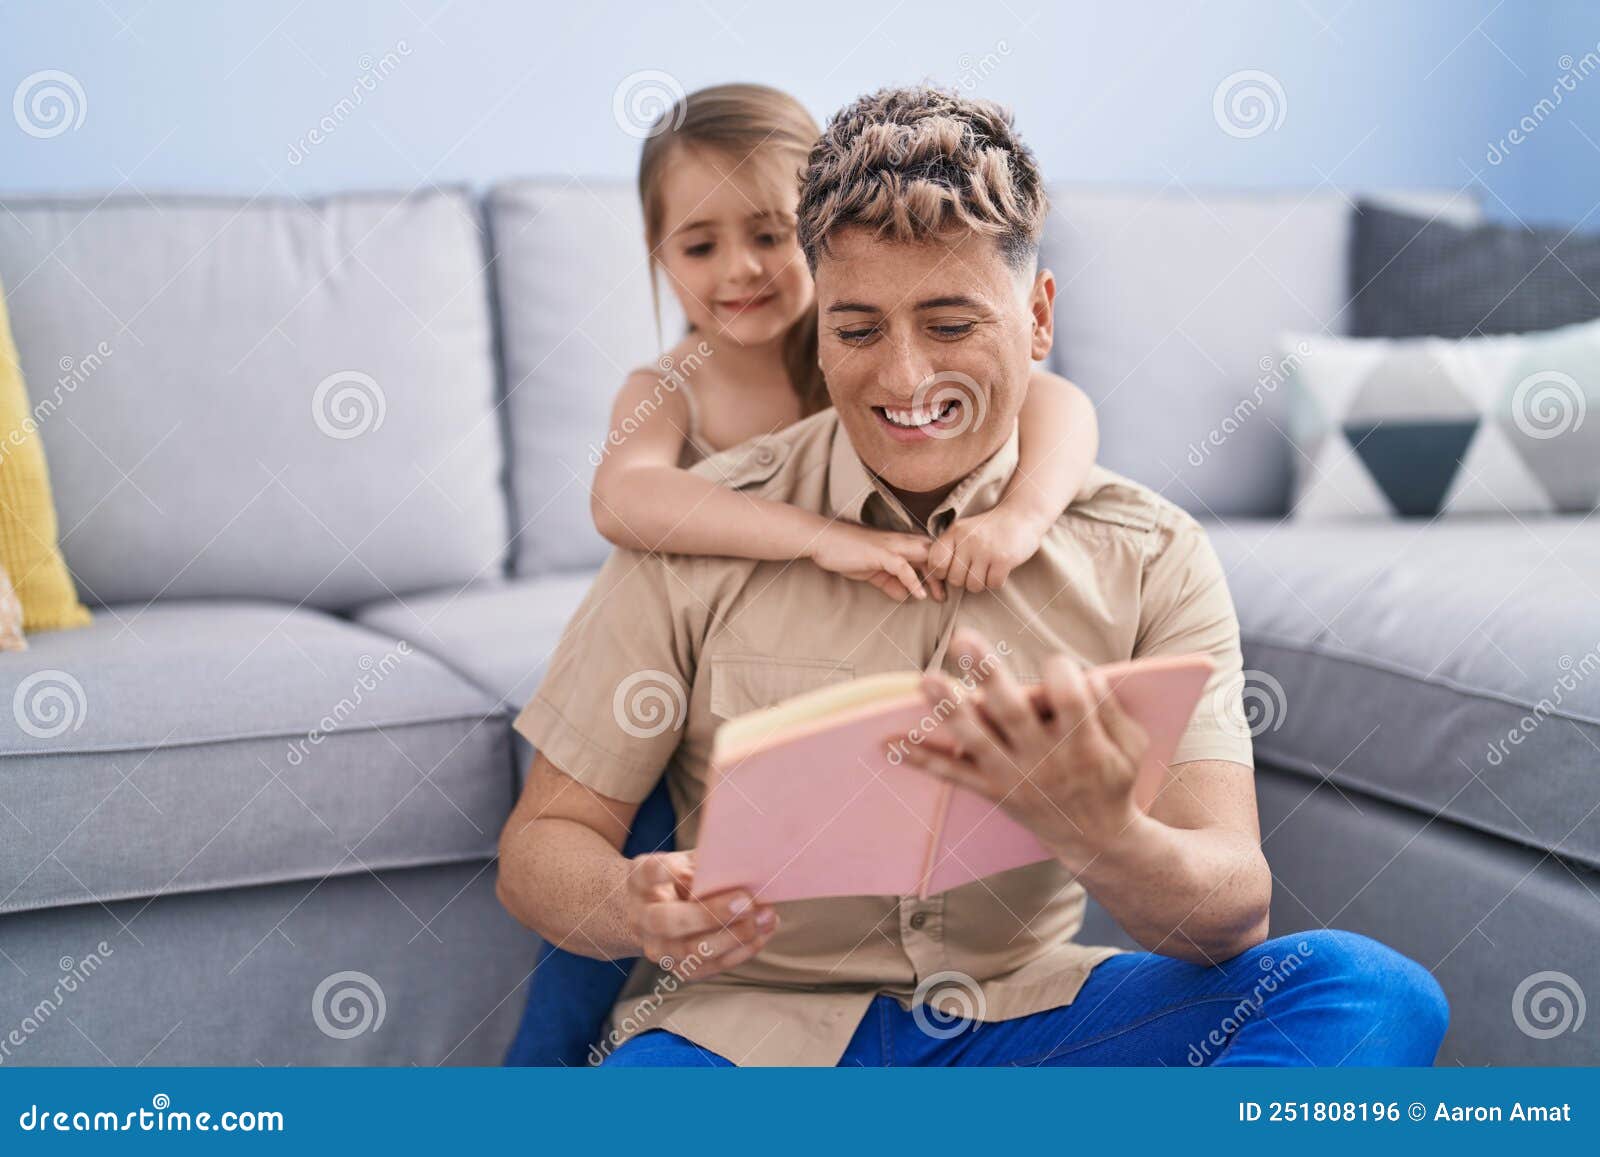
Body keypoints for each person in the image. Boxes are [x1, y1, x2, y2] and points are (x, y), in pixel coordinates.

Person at [495, 85, 1450, 1067]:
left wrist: (1106, 832)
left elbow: (1228, 907)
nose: (904, 379)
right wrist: (626, 904)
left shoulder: (1145, 551)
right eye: (859, 330)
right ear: (819, 323)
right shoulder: (701, 527)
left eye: (950, 325)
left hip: (1015, 1020)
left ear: (1037, 317)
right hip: (743, 1036)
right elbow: (543, 845)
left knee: (1366, 995)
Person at [591, 82, 1099, 599]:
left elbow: (1060, 403)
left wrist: (1022, 517)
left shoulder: (867, 357)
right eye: (700, 247)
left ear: (823, 234)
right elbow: (619, 497)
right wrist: (820, 538)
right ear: (659, 254)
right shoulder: (670, 388)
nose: (740, 269)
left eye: (769, 236)